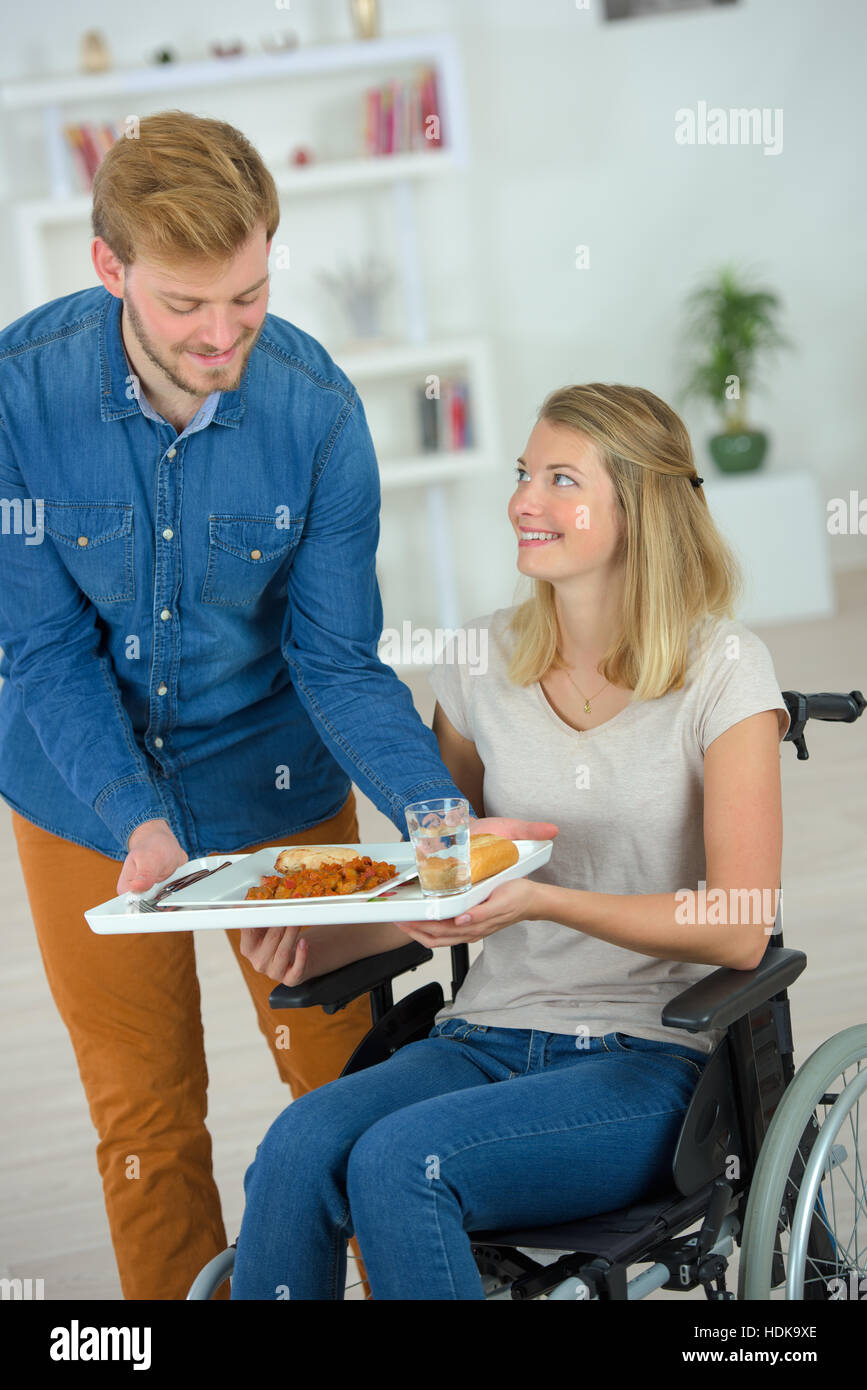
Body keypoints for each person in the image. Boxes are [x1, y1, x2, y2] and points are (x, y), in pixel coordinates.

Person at [0, 110, 555, 1301]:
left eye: (246, 295)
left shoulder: (317, 410)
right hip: (76, 792)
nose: (222, 334)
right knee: (143, 1109)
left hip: (275, 771)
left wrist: (431, 819)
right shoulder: (16, 396)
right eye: (186, 305)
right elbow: (41, 650)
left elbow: (338, 657)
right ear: (111, 269)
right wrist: (134, 820)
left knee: (342, 1077)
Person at [230, 382, 792, 1300]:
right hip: (485, 1034)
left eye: (559, 479)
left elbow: (737, 928)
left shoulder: (723, 672)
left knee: (401, 1163)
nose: (522, 501)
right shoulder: (480, 660)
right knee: (296, 1148)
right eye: (524, 472)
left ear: (640, 508)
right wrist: (317, 942)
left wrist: (544, 898)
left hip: (647, 1058)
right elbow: (448, 887)